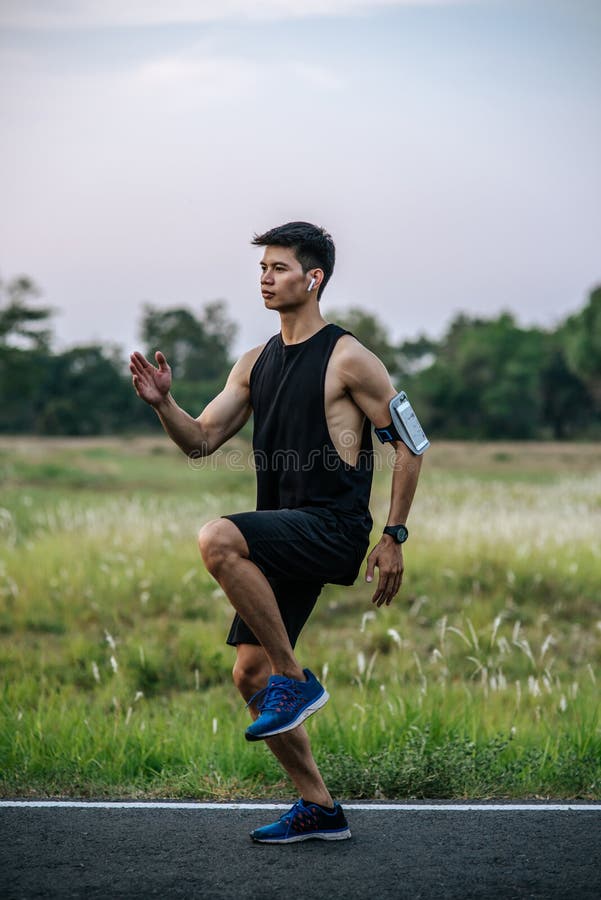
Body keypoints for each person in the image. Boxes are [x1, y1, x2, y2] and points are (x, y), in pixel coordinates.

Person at [129, 221, 424, 843]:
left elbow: (411, 446)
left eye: (279, 268)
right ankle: (319, 807)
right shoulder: (255, 361)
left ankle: (296, 680)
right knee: (248, 675)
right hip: (287, 529)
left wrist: (393, 535)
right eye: (262, 268)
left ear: (313, 278)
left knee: (217, 538)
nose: (265, 278)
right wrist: (164, 405)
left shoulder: (350, 356)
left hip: (334, 526)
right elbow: (203, 440)